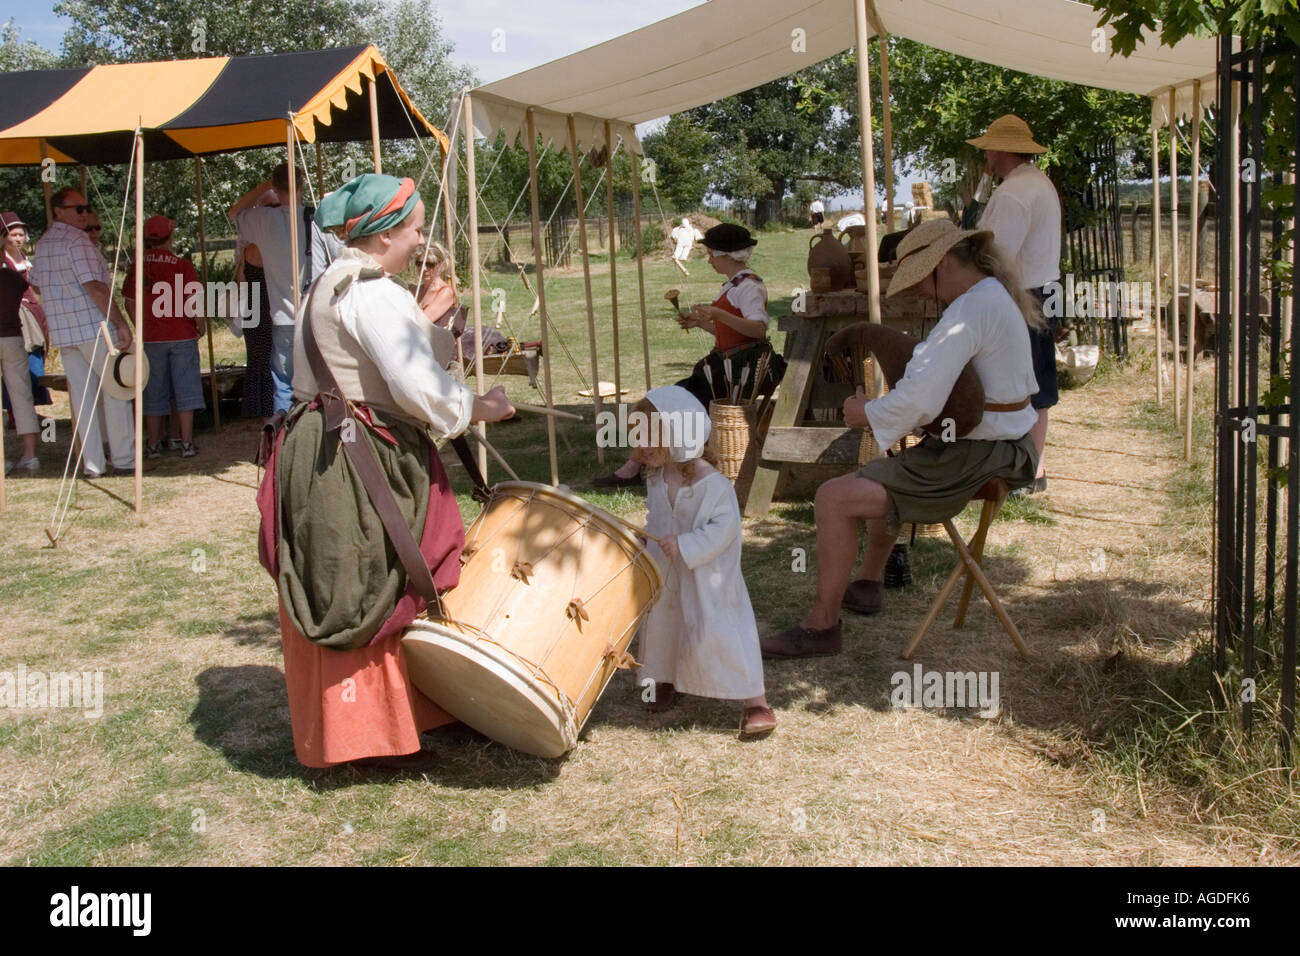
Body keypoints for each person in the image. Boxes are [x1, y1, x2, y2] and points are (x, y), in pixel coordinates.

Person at [258, 173, 514, 769]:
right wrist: (484, 407)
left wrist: (434, 323)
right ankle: (370, 736)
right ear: (383, 234)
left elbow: (391, 359)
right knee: (372, 574)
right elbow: (416, 388)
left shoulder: (333, 280)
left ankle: (408, 716)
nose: (420, 241)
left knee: (370, 568)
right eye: (415, 229)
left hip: (325, 447)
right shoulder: (370, 291)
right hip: (354, 457)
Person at [762, 220, 1040, 657]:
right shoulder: (989, 296)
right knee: (879, 473)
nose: (921, 295)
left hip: (980, 455)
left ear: (944, 263)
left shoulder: (970, 310)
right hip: (1003, 447)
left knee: (834, 498)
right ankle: (868, 582)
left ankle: (821, 628)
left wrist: (864, 413)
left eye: (921, 282)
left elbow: (922, 399)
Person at [592, 223, 783, 488]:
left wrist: (718, 315)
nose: (709, 260)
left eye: (712, 255)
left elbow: (758, 330)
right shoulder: (734, 285)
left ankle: (644, 466)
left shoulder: (749, 287)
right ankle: (643, 464)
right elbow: (732, 333)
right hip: (726, 365)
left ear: (728, 255)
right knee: (662, 406)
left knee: (662, 407)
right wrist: (700, 323)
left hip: (740, 370)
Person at [633, 385, 776, 737]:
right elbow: (658, 517)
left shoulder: (712, 485)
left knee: (719, 630)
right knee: (665, 624)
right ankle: (665, 679)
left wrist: (686, 544)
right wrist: (647, 540)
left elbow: (723, 528)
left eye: (652, 439)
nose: (643, 448)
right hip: (668, 570)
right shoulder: (656, 476)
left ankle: (754, 700)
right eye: (638, 438)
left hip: (708, 574)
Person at [967, 114, 1062, 495]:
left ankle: (1028, 473)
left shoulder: (1015, 193)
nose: (986, 153)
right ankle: (1031, 467)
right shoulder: (1035, 184)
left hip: (1025, 294)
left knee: (1028, 386)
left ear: (1001, 149)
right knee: (1034, 382)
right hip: (1040, 290)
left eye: (989, 146)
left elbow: (996, 255)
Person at [30, 188, 135, 479]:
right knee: (116, 391)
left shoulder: (43, 244)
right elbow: (95, 286)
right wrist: (121, 322)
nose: (85, 214)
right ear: (58, 211)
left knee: (83, 399)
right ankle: (125, 459)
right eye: (79, 209)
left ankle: (93, 464)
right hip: (93, 327)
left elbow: (37, 283)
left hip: (66, 331)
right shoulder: (76, 240)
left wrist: (62, 294)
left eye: (86, 209)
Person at [228, 163, 338, 421]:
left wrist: (265, 186)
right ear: (301, 186)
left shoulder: (262, 221)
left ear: (275, 189)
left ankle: (280, 440)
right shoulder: (318, 219)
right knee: (320, 382)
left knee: (283, 386)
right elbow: (339, 260)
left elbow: (235, 213)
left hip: (282, 316)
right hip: (316, 314)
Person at [122, 215, 205, 458]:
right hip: (182, 334)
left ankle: (153, 444)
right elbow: (194, 300)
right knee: (185, 388)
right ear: (170, 237)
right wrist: (200, 325)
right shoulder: (181, 264)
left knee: (153, 389)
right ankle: (185, 442)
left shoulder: (138, 267)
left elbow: (129, 302)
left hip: (152, 338)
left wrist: (142, 325)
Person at [1, 211, 44, 473]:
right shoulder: (16, 277)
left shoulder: (15, 274)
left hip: (11, 335)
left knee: (20, 396)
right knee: (22, 396)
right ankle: (30, 455)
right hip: (13, 337)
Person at [415, 241, 508, 354]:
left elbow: (422, 321)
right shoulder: (416, 290)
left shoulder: (445, 292)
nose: (423, 268)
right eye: (419, 263)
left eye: (429, 264)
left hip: (441, 351)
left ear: (440, 265)